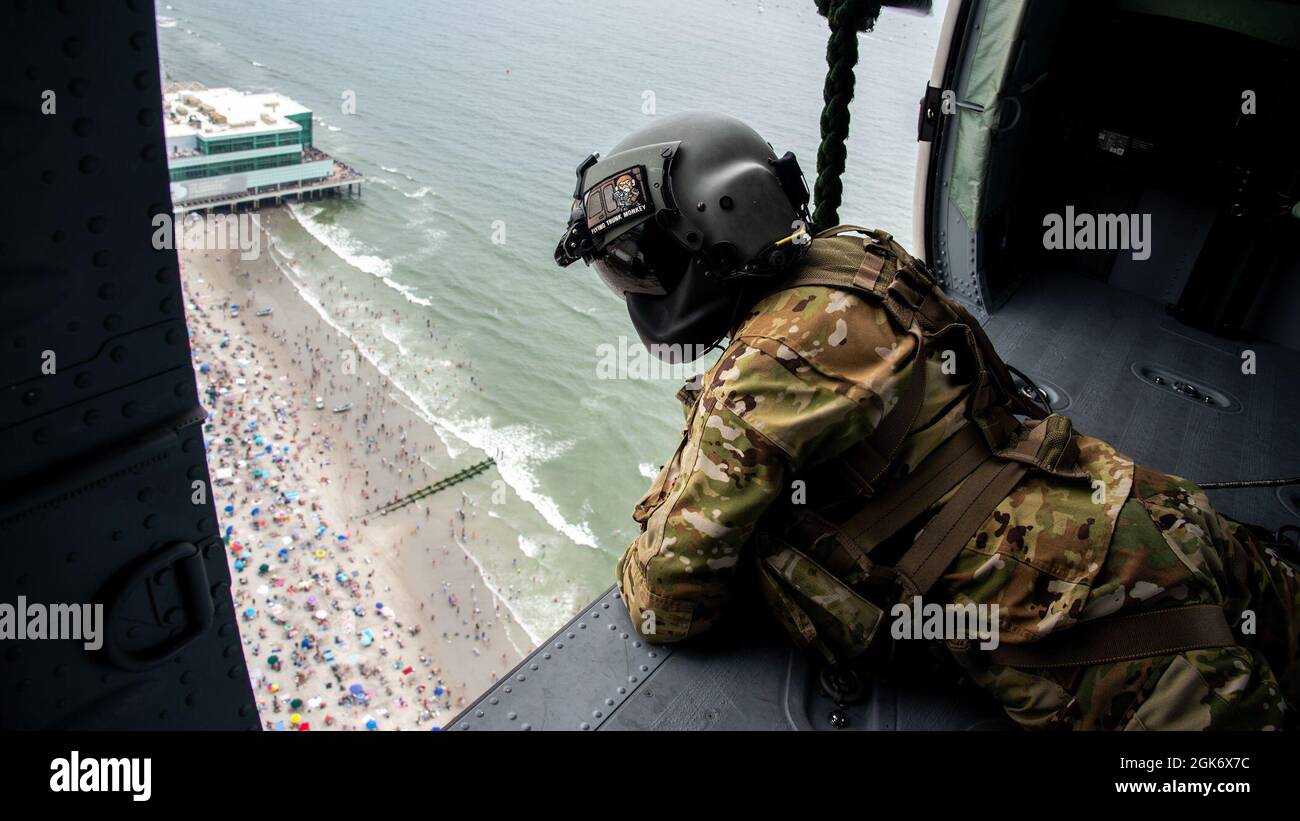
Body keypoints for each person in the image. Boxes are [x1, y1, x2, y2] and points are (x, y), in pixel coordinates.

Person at [555, 111, 1300, 730]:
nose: (637, 289)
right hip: (1156, 515)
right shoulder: (855, 256)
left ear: (716, 230)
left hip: (1106, 642)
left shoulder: (764, 370)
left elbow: (666, 599)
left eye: (639, 263)